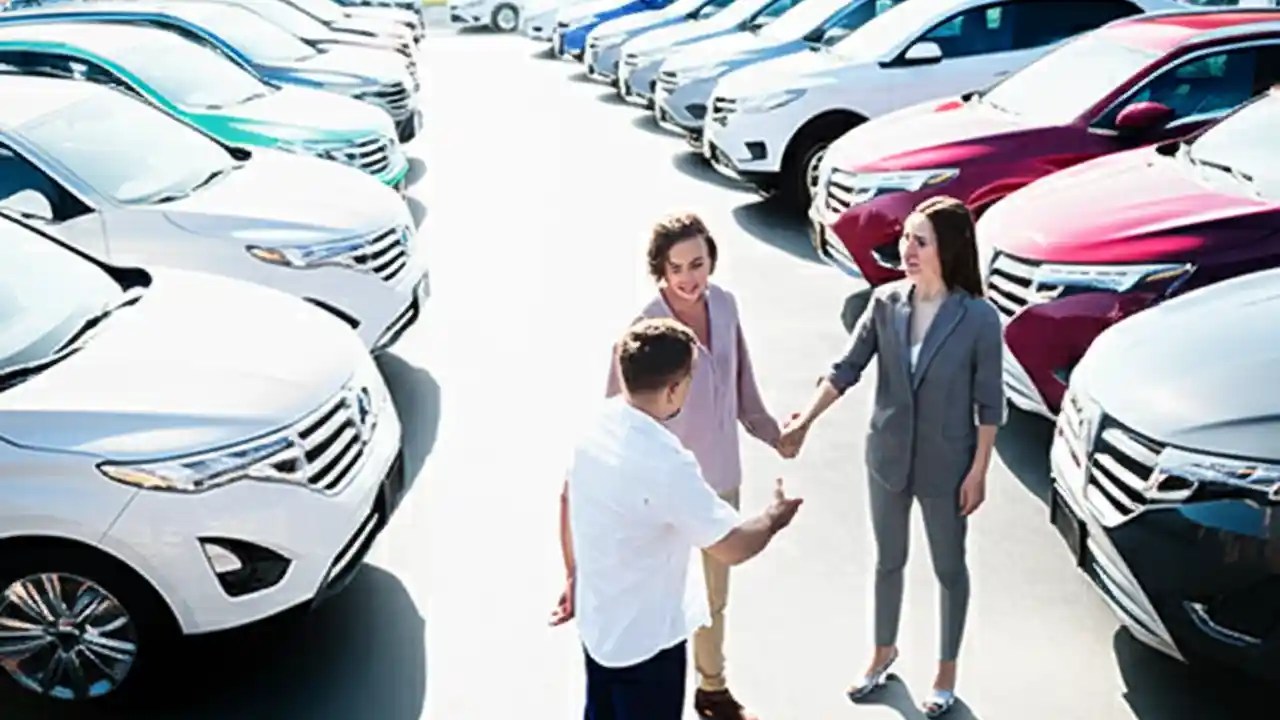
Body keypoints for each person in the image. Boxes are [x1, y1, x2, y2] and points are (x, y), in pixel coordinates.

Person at [555, 212, 789, 720]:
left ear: (711, 261)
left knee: (711, 600)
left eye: (697, 264)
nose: (688, 277)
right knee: (668, 602)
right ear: (659, 270)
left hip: (719, 475)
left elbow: (742, 384)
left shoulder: (724, 306)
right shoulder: (644, 333)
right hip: (663, 492)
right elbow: (621, 417)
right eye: (676, 267)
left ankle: (712, 688)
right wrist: (775, 517)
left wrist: (774, 434)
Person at [778, 196, 1004, 718]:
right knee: (888, 560)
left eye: (920, 241)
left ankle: (946, 670)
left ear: (948, 249)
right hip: (886, 457)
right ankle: (883, 652)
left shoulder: (979, 319)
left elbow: (990, 402)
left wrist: (979, 470)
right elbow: (846, 368)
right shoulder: (885, 303)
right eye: (905, 237)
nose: (907, 249)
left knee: (949, 567)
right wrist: (805, 419)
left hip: (948, 466)